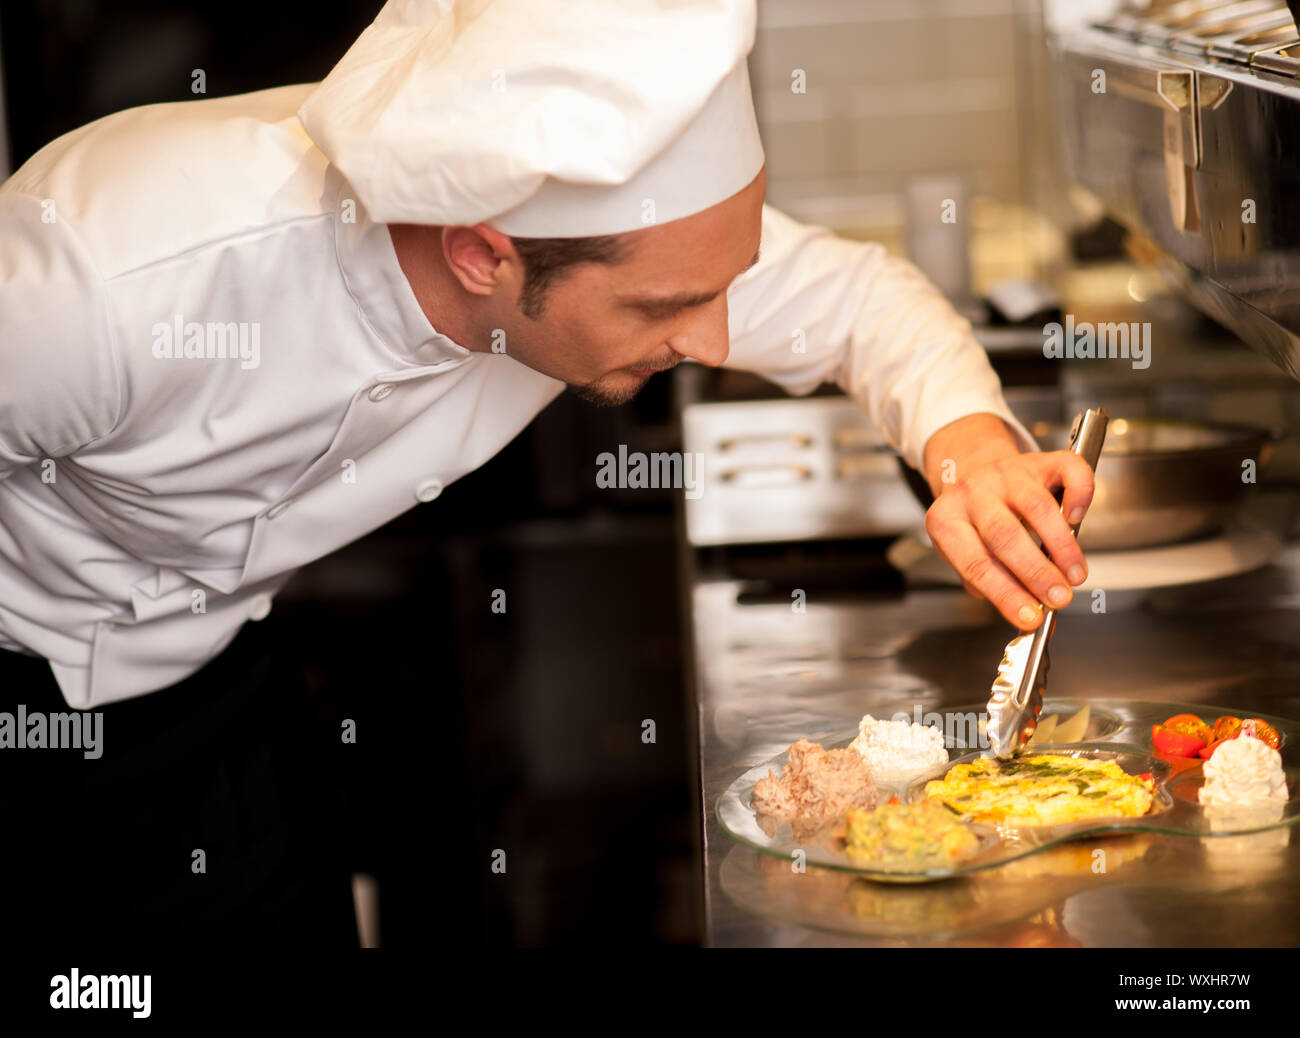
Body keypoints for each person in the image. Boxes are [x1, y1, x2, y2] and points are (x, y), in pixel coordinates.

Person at [0, 0, 1093, 945]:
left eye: (725, 288)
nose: (711, 342)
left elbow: (862, 300)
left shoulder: (625, 243)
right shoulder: (98, 285)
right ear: (481, 255)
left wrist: (974, 455)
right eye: (665, 310)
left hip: (225, 691)